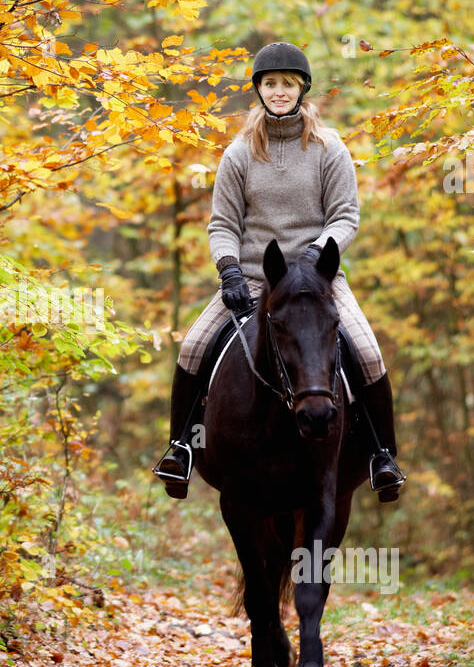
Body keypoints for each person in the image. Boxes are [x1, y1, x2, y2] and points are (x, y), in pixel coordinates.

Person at [152, 41, 406, 501]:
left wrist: (314, 256)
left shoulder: (330, 149)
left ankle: (382, 456)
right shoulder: (239, 154)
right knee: (191, 348)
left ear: (302, 89)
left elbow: (345, 215)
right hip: (253, 279)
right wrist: (228, 271)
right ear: (259, 91)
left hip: (318, 280)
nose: (280, 92)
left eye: (288, 84)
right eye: (271, 84)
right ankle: (180, 451)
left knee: (368, 354)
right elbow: (224, 224)